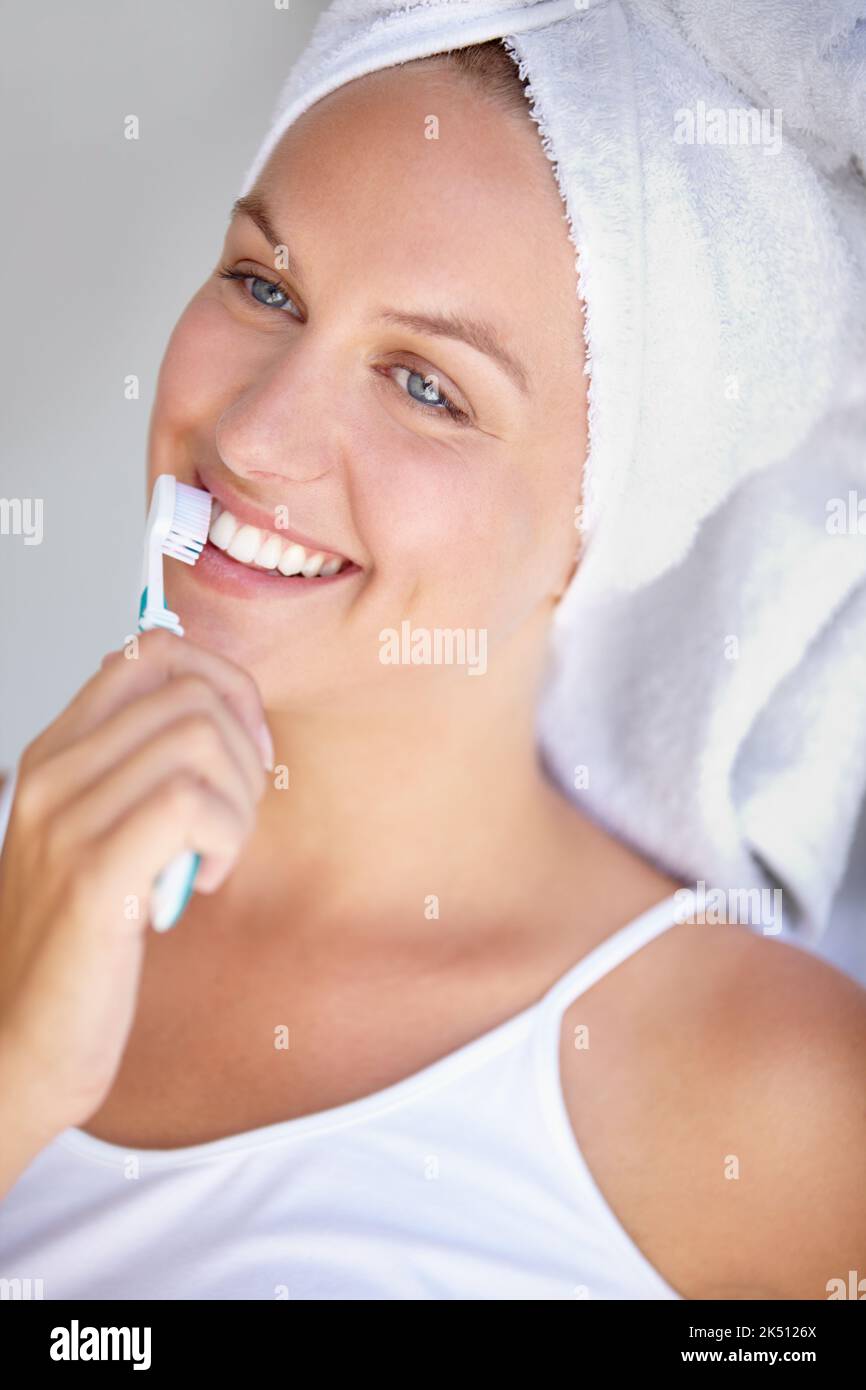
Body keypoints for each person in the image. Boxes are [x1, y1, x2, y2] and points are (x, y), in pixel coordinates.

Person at [0, 36, 864, 1302]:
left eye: (424, 386)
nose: (252, 437)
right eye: (265, 287)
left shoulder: (783, 1105)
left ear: (602, 529)